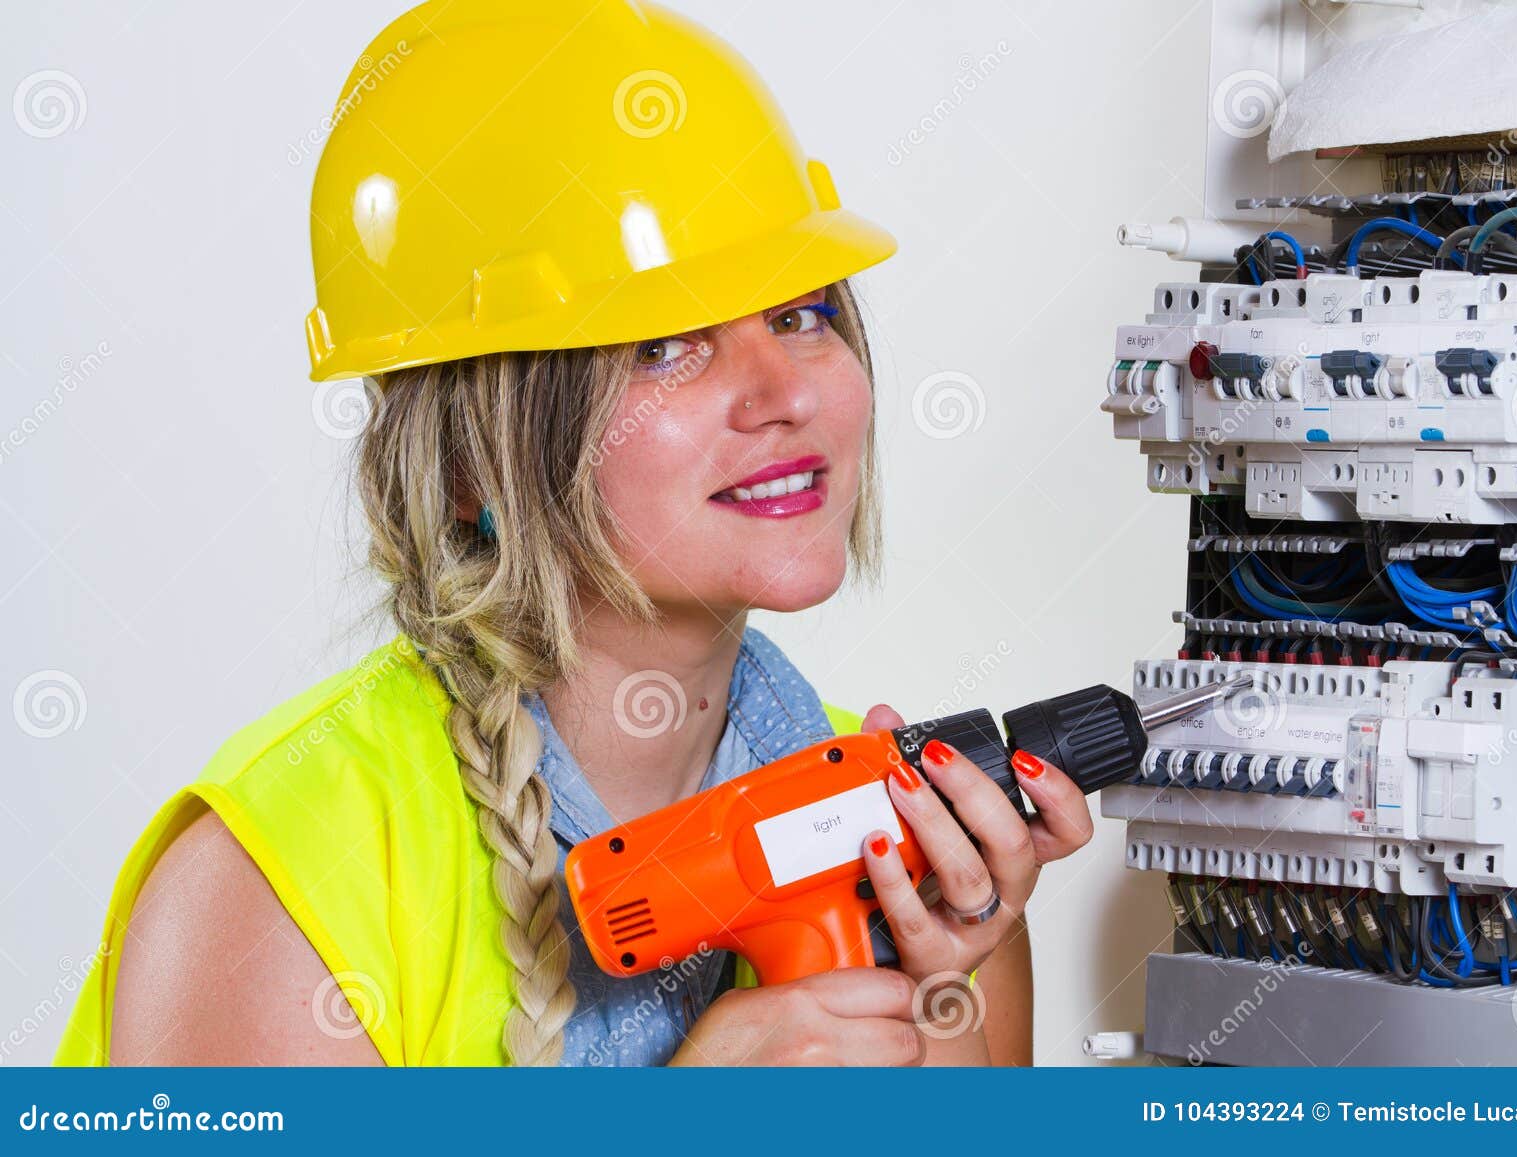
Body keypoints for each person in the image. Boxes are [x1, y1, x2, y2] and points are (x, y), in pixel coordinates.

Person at [54, 0, 1092, 1068]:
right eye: (663, 345)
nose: (785, 393)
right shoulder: (283, 881)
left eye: (800, 314)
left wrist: (932, 1007)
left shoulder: (914, 847)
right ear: (469, 465)